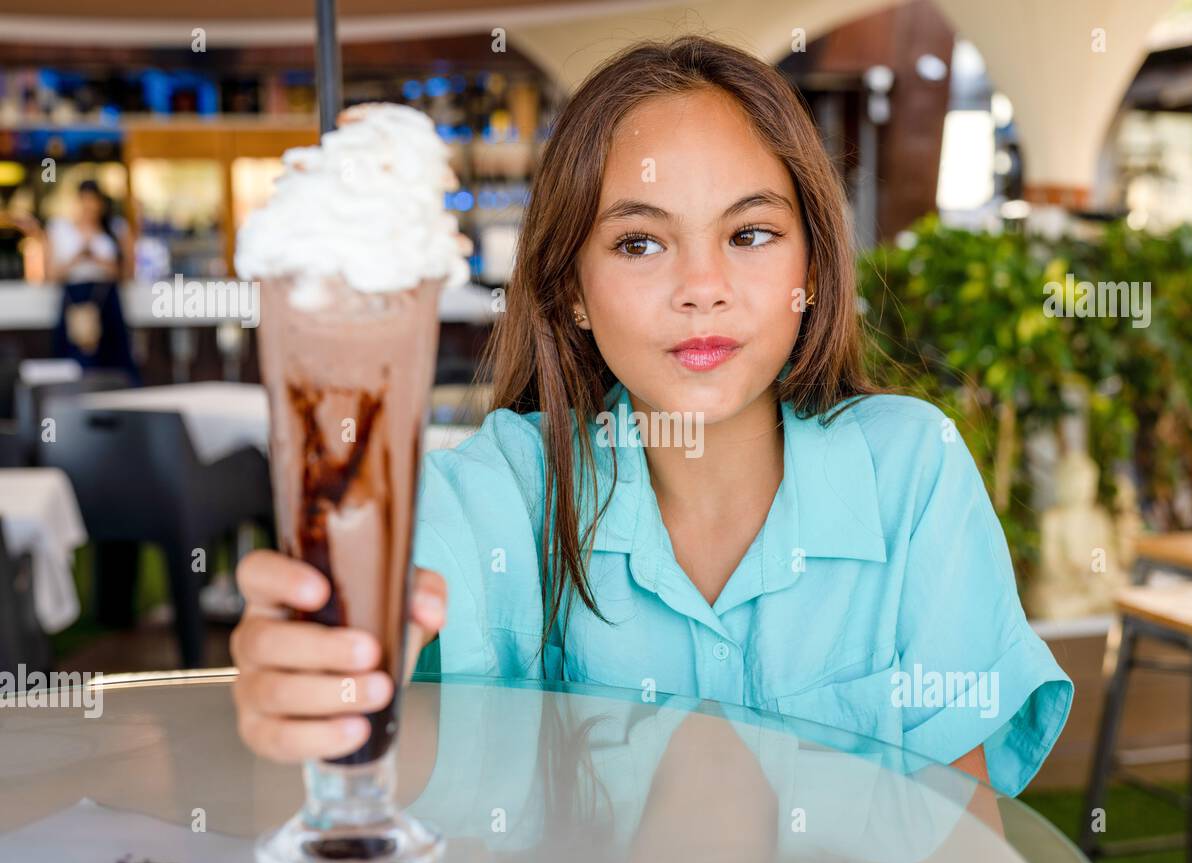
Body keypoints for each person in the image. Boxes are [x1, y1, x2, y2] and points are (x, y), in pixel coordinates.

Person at [231, 36, 1073, 818]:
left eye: (750, 233)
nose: (702, 287)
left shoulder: (911, 471)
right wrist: (319, 683)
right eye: (639, 243)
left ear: (811, 268)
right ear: (570, 289)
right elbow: (381, 681)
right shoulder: (507, 491)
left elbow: (960, 834)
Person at [40, 179, 139, 383]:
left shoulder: (116, 228)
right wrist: (78, 257)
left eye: (93, 200)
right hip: (75, 297)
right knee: (78, 356)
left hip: (106, 297)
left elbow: (127, 272)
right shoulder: (59, 229)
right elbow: (50, 275)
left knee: (112, 357)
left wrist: (97, 259)